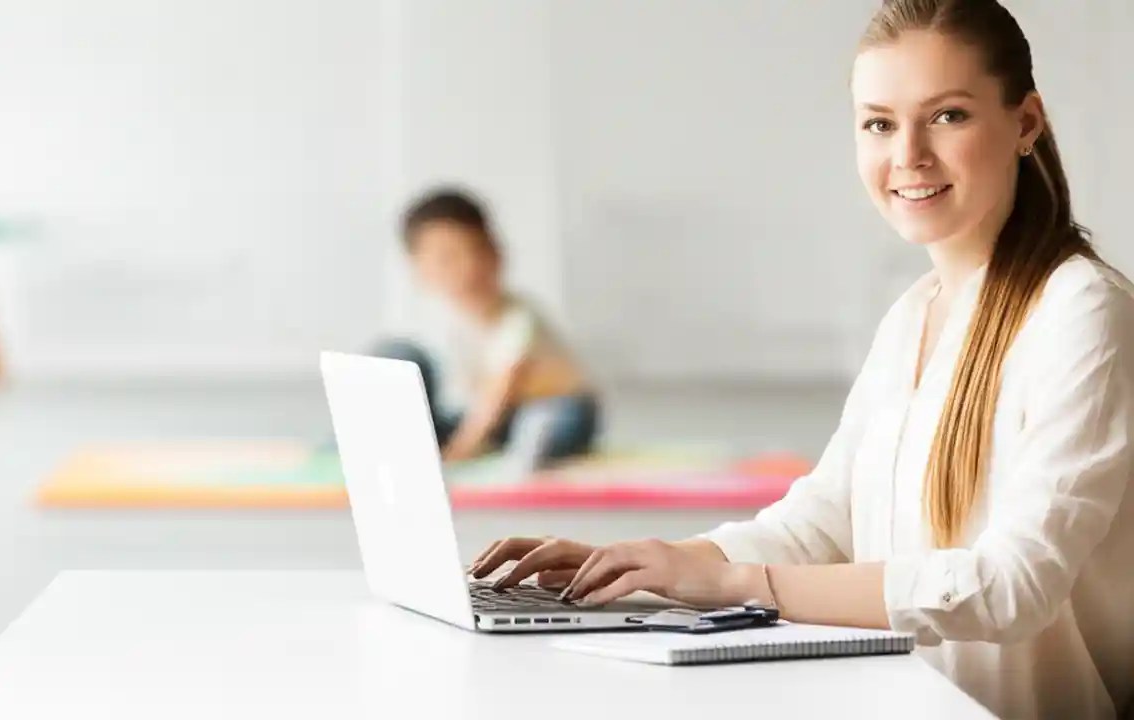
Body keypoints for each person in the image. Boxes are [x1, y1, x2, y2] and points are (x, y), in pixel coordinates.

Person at [467, 2, 1133, 718]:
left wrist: (740, 585)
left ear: (1025, 123)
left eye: (947, 116)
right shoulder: (914, 314)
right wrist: (655, 565)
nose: (907, 154)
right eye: (879, 122)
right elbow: (821, 524)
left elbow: (1012, 588)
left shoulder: (1082, 310)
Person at [375, 187, 599, 468]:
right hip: (495, 416)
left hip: (551, 403)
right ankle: (350, 447)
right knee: (402, 364)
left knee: (550, 422)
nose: (468, 268)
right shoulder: (439, 321)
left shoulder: (517, 319)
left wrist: (462, 449)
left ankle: (527, 455)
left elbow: (500, 391)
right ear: (419, 270)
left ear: (498, 253)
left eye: (477, 251)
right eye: (448, 259)